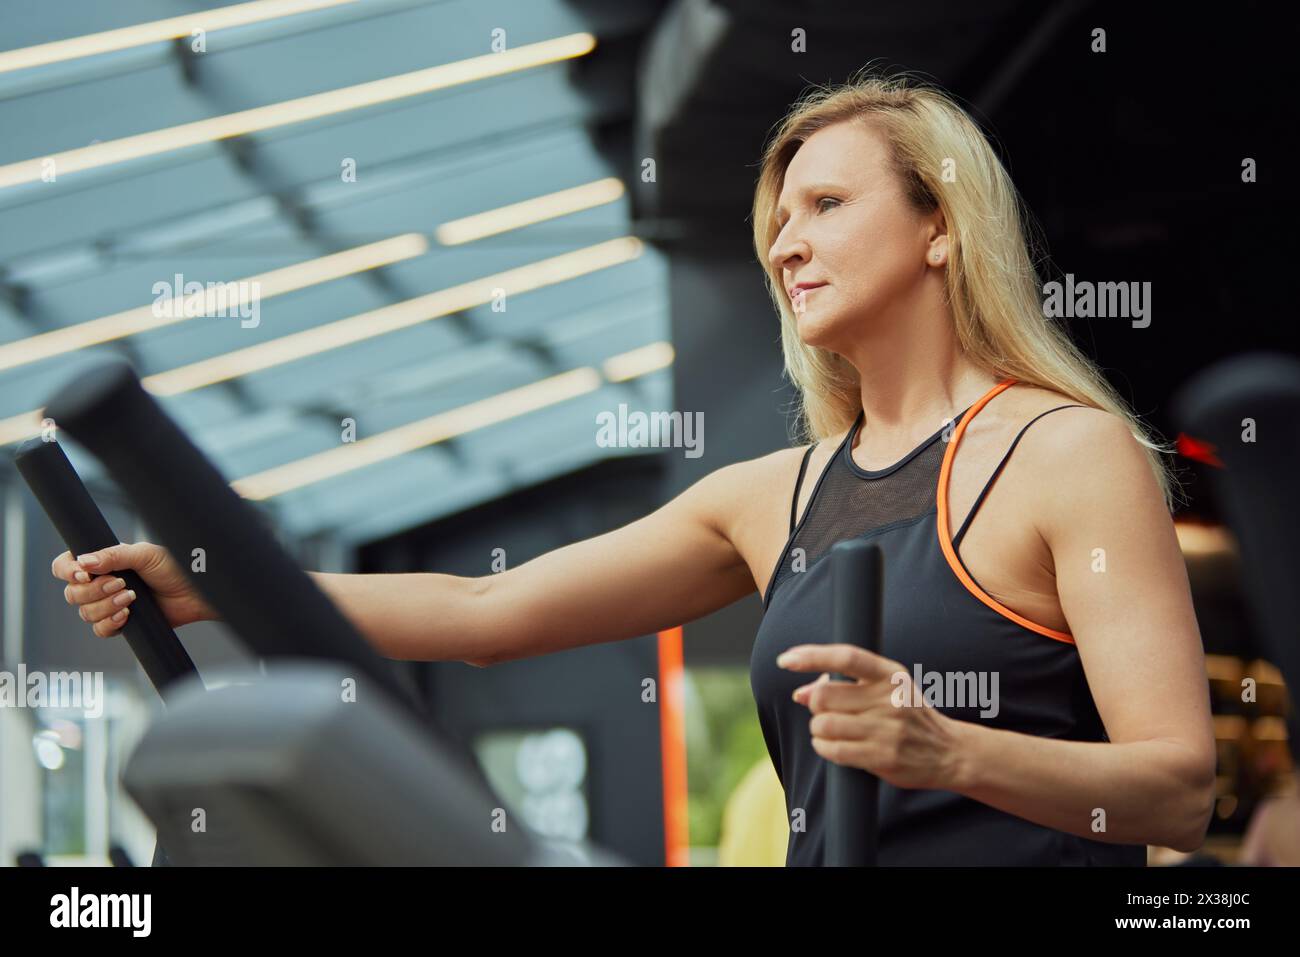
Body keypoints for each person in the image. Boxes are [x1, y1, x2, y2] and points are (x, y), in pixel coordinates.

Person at [51, 70, 1216, 866]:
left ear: (939, 227)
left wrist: (945, 747)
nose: (784, 240)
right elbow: (485, 608)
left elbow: (1175, 787)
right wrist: (204, 585)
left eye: (823, 203)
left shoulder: (1065, 451)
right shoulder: (776, 495)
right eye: (776, 216)